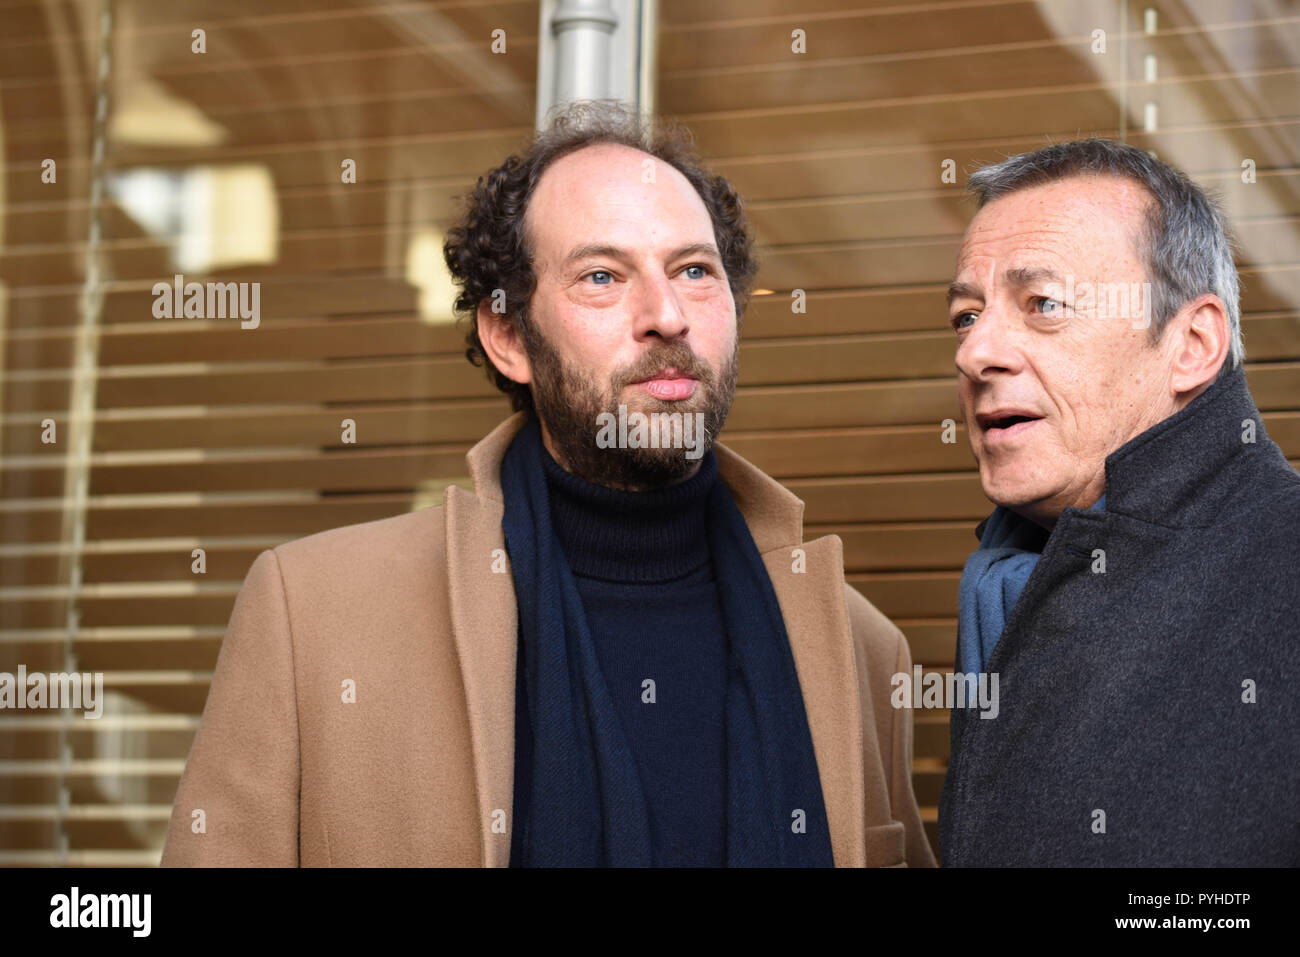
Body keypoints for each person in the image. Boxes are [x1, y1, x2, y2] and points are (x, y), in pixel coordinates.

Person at [160, 101, 933, 868]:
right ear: (507, 336)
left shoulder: (861, 651)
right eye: (602, 275)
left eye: (695, 271)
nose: (666, 314)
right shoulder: (313, 614)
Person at [939, 138, 1300, 866]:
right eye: (966, 315)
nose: (975, 354)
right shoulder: (1004, 582)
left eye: (1042, 304)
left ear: (1192, 344)